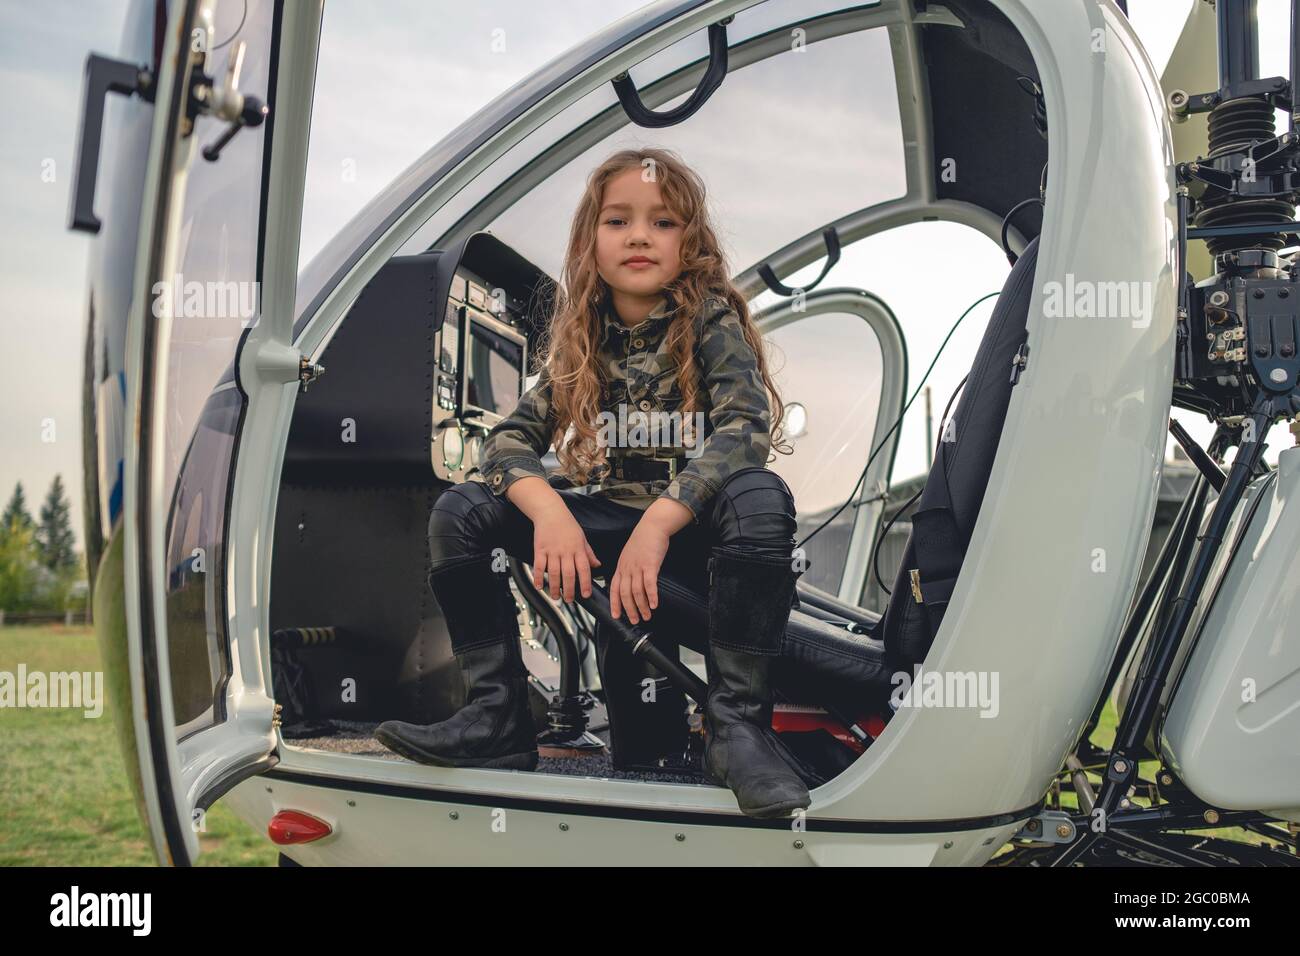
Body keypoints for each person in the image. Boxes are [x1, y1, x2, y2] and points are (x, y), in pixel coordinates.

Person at [376, 147, 812, 818]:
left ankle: (737, 730)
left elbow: (745, 427)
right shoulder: (583, 334)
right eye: (618, 220)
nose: (639, 235)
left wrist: (659, 524)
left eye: (662, 222)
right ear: (591, 241)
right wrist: (549, 513)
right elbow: (509, 441)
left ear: (689, 242)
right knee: (462, 510)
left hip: (691, 535)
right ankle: (497, 718)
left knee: (759, 493)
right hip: (607, 518)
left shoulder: (709, 317)